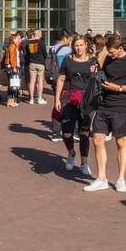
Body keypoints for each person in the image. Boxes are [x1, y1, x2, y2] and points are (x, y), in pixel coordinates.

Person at [83, 34, 126, 193]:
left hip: (121, 107)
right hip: (103, 105)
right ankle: (101, 178)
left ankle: (121, 178)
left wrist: (119, 88)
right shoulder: (107, 58)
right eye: (108, 52)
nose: (109, 55)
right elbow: (102, 75)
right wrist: (95, 71)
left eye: (112, 52)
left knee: (120, 142)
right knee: (97, 139)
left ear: (121, 49)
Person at [54, 34, 97, 176]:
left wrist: (95, 73)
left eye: (81, 45)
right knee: (66, 133)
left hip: (86, 100)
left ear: (86, 45)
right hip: (68, 98)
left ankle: (84, 162)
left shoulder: (93, 61)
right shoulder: (67, 60)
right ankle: (71, 153)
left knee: (84, 132)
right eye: (76, 45)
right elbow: (61, 80)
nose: (78, 48)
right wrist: (57, 99)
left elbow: (98, 81)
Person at [22, 29, 47, 105]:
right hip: (40, 63)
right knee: (40, 81)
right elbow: (45, 54)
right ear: (39, 34)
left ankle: (31, 99)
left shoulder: (29, 43)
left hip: (31, 63)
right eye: (41, 33)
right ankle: (39, 99)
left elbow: (27, 54)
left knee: (32, 81)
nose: (41, 34)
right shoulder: (41, 43)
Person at [3, 31, 22, 106]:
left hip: (11, 66)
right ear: (13, 39)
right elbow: (12, 57)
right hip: (12, 66)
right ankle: (9, 100)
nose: (18, 40)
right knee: (12, 84)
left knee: (12, 84)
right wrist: (14, 67)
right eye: (16, 38)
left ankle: (11, 100)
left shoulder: (12, 46)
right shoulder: (12, 46)